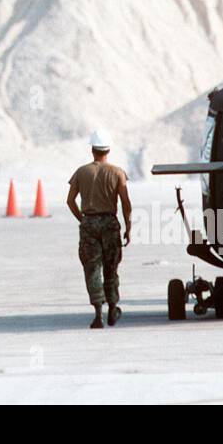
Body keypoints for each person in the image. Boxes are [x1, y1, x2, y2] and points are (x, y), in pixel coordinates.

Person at [66, 128, 132, 328]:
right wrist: (128, 226)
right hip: (110, 224)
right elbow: (126, 203)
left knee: (92, 268)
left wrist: (83, 220)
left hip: (89, 224)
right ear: (108, 150)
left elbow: (70, 201)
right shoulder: (117, 172)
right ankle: (113, 308)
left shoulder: (81, 172)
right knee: (111, 268)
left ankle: (98, 314)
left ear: (92, 150)